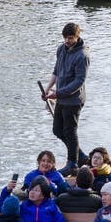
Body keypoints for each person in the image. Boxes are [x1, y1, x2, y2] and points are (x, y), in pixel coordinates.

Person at [42, 22, 89, 175]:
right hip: (60, 97)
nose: (67, 41)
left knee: (70, 130)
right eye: (65, 38)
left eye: (70, 38)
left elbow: (79, 81)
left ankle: (72, 163)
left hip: (74, 100)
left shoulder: (82, 56)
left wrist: (58, 93)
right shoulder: (61, 49)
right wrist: (48, 89)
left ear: (77, 37)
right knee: (57, 130)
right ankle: (80, 155)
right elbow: (56, 70)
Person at [0, 177, 67, 222]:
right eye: (31, 189)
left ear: (44, 194)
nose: (32, 192)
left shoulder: (52, 207)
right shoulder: (23, 206)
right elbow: (4, 210)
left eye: (36, 190)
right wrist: (7, 191)